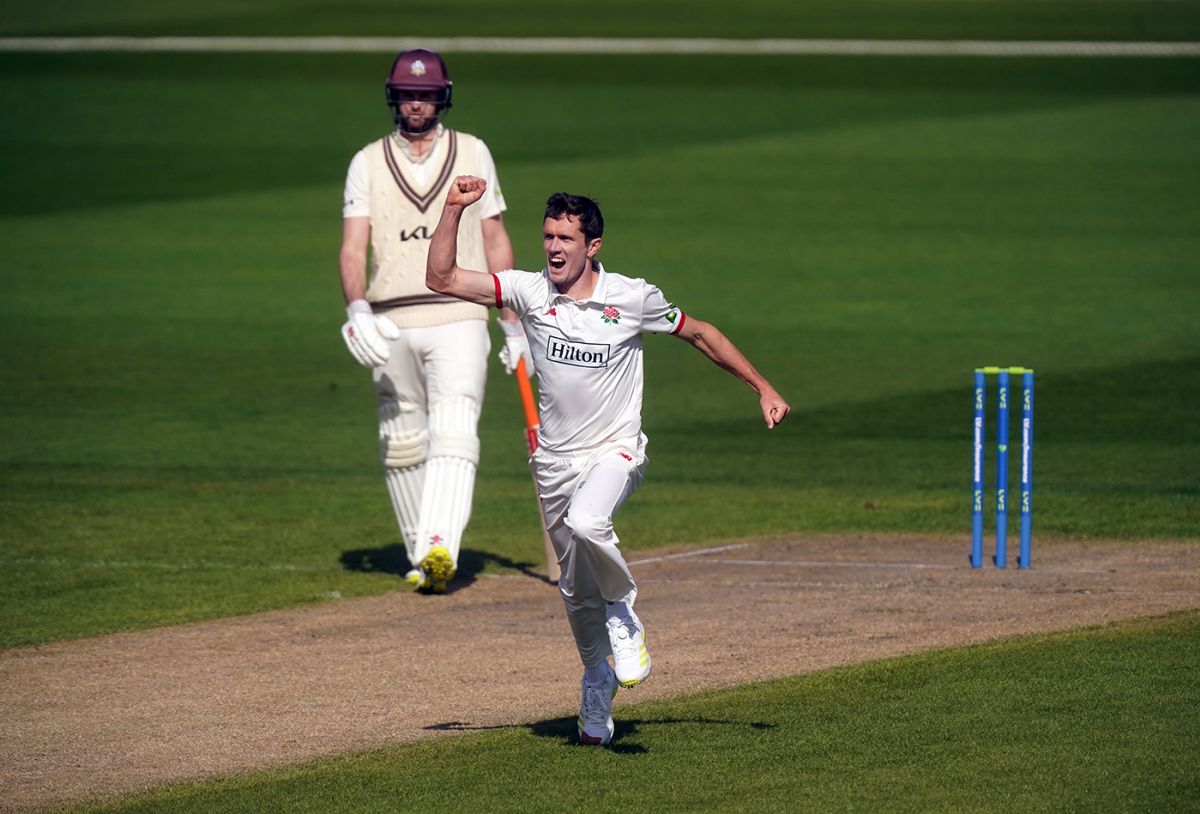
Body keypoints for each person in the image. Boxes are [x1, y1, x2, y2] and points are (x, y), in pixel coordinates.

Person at [425, 175, 791, 746]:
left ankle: (625, 612)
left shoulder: (631, 296)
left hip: (616, 450)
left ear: (592, 246)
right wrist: (451, 209)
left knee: (590, 521)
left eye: (566, 238)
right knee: (574, 592)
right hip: (555, 462)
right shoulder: (527, 292)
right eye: (548, 235)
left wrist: (761, 387)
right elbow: (440, 278)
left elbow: (699, 334)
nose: (553, 247)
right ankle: (597, 680)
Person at [338, 49, 533, 594]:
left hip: (460, 314)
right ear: (393, 98)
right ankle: (422, 557)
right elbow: (353, 250)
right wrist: (355, 308)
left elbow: (494, 239)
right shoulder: (367, 161)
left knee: (454, 428)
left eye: (424, 93)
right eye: (407, 94)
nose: (415, 102)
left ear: (441, 96)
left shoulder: (472, 151)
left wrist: (513, 323)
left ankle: (439, 547)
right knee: (400, 441)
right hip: (389, 319)